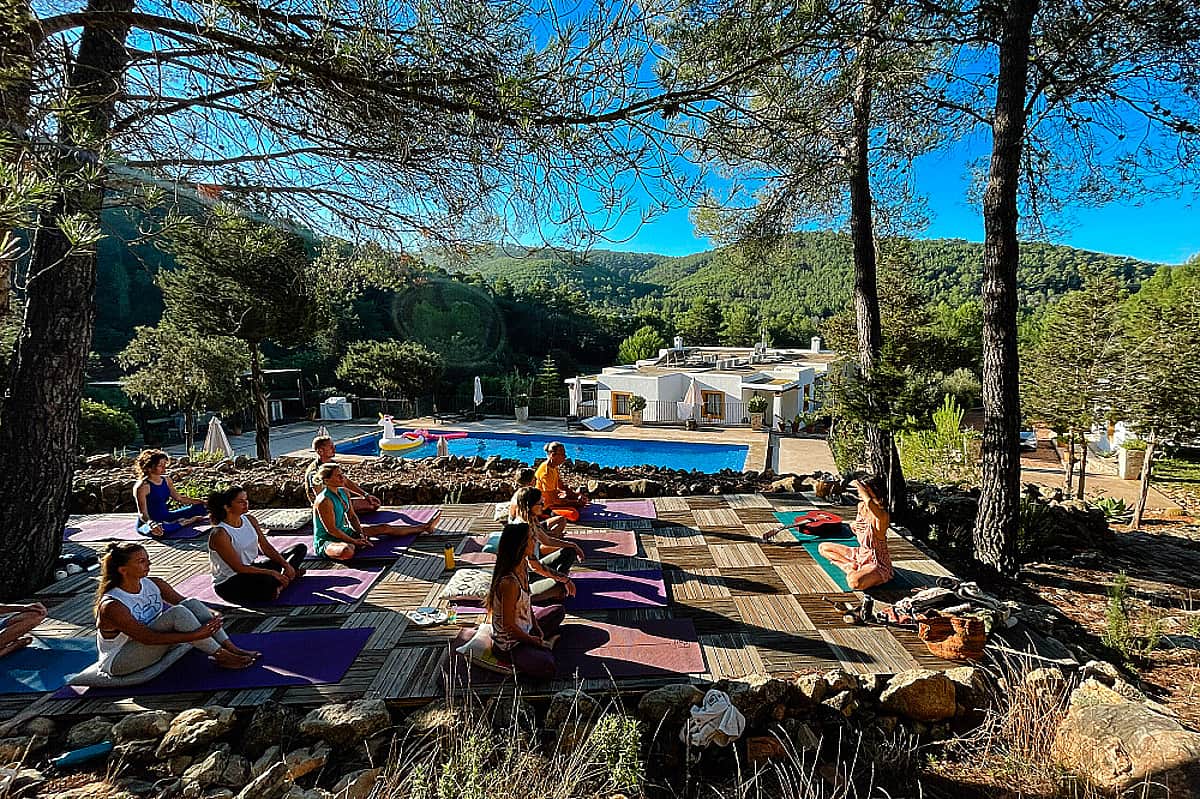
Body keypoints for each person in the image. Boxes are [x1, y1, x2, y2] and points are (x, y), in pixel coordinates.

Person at [94, 542, 258, 676]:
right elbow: (148, 638)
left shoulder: (154, 583)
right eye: (141, 561)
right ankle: (222, 656)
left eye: (147, 559)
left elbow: (187, 603)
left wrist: (211, 613)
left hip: (150, 644)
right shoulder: (112, 605)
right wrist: (195, 635)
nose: (149, 564)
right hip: (121, 659)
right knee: (177, 613)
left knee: (191, 603)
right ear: (123, 570)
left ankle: (231, 648)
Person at [486, 522, 566, 680]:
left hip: (525, 628)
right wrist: (533, 641)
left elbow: (527, 602)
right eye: (531, 538)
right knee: (548, 667)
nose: (535, 541)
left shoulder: (522, 565)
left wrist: (536, 626)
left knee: (558, 611)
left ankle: (542, 645)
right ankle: (545, 646)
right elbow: (508, 626)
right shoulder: (509, 582)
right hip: (509, 645)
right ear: (520, 545)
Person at [312, 463, 440, 560]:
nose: (342, 478)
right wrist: (354, 541)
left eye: (342, 474)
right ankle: (355, 545)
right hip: (327, 540)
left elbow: (352, 517)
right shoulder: (324, 500)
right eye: (338, 476)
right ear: (327, 480)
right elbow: (332, 530)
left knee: (384, 528)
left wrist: (360, 534)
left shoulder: (343, 492)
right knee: (347, 551)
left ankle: (424, 527)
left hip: (344, 532)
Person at [207, 486, 308, 604]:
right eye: (240, 502)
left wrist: (286, 565)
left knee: (299, 549)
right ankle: (283, 582)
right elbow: (238, 568)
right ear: (227, 507)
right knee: (268, 581)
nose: (246, 504)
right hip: (231, 581)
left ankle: (283, 581)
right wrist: (273, 573)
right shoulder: (220, 534)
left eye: (246, 500)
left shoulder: (250, 520)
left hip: (252, 568)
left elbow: (265, 547)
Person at [816, 477, 893, 590]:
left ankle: (851, 570)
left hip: (875, 563)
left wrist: (861, 487)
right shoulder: (861, 506)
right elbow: (859, 522)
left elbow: (870, 503)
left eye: (862, 490)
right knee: (823, 548)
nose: (859, 493)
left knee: (854, 583)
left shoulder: (882, 516)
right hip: (860, 554)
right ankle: (849, 566)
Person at [512, 487, 581, 602]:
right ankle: (548, 593)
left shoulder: (531, 519)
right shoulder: (523, 530)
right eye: (540, 503)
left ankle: (556, 586)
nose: (543, 505)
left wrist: (573, 545)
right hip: (522, 583)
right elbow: (535, 566)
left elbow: (547, 540)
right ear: (530, 506)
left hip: (532, 571)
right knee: (559, 587)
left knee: (569, 550)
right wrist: (565, 579)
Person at [133, 450, 207, 536]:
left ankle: (177, 523)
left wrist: (203, 502)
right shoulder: (142, 487)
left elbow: (179, 498)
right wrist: (151, 524)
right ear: (149, 468)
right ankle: (187, 521)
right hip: (150, 522)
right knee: (160, 530)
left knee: (201, 507)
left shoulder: (167, 480)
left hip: (167, 516)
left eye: (165, 464)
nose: (164, 468)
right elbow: (143, 514)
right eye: (160, 465)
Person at [304, 435, 380, 514]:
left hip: (337, 499)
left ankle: (347, 512)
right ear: (320, 451)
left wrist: (366, 495)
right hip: (326, 505)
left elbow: (345, 481)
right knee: (368, 505)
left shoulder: (332, 464)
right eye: (331, 447)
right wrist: (342, 502)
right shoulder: (314, 472)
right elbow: (319, 495)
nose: (334, 449)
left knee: (374, 504)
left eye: (334, 446)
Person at [534, 441, 589, 521]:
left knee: (568, 496)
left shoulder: (554, 466)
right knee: (573, 514)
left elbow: (561, 485)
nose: (565, 456)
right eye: (562, 454)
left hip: (553, 498)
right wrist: (576, 502)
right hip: (545, 506)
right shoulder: (546, 473)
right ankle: (546, 515)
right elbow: (554, 500)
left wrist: (576, 495)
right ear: (553, 455)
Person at [508, 468, 567, 536]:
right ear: (530, 481)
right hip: (523, 530)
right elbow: (528, 522)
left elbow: (534, 520)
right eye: (534, 478)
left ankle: (551, 536)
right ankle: (552, 537)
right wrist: (548, 534)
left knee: (561, 519)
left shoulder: (521, 493)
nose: (536, 480)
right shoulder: (525, 497)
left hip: (528, 526)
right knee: (560, 520)